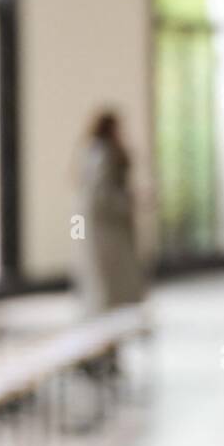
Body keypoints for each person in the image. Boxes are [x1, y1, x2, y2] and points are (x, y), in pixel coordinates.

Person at [72, 109, 145, 312]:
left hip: (90, 220)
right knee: (106, 270)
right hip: (101, 222)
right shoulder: (101, 153)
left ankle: (106, 308)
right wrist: (129, 202)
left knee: (99, 268)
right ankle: (105, 310)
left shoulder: (92, 151)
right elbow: (101, 192)